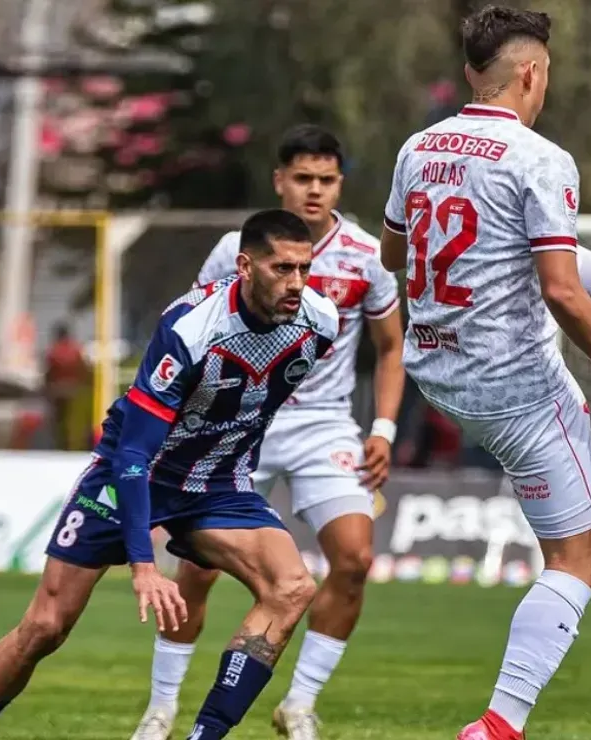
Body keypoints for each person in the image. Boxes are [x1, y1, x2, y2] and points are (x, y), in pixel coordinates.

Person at [379, 7, 591, 739]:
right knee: (582, 558)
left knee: (574, 499)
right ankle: (498, 726)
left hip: (441, 370)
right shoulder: (540, 159)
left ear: (471, 73)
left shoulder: (416, 150)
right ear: (532, 73)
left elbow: (393, 262)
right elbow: (558, 287)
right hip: (517, 383)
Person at [0, 209, 340, 740]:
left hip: (215, 485)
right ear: (244, 266)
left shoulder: (319, 321)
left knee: (290, 587)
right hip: (133, 476)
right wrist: (144, 564)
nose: (297, 283)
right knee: (44, 628)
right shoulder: (191, 327)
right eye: (282, 268)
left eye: (305, 269)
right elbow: (132, 456)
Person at [131, 125, 404, 740]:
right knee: (197, 571)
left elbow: (391, 348)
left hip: (321, 425)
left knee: (355, 558)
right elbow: (192, 328)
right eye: (302, 178)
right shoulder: (237, 248)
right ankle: (161, 708)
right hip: (231, 423)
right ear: (279, 179)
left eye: (326, 180)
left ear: (340, 184)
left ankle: (299, 703)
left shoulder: (365, 255)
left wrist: (383, 427)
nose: (314, 190)